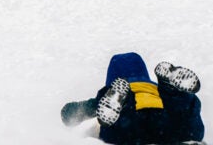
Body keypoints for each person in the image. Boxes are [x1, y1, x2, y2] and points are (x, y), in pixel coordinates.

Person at [60, 52, 204, 145]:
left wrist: (68, 113)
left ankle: (125, 104)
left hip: (131, 126)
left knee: (116, 128)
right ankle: (176, 93)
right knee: (184, 116)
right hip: (161, 120)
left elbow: (72, 113)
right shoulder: (153, 87)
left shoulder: (112, 93)